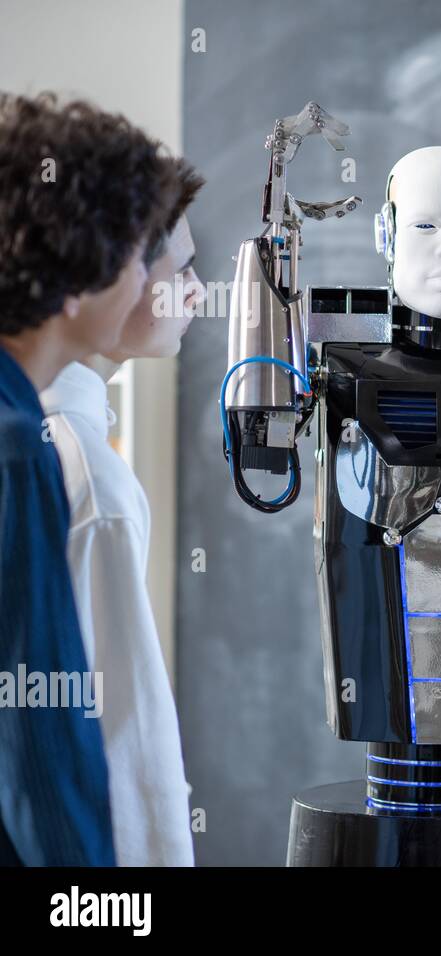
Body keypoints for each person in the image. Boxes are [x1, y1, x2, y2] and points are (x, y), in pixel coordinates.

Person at [0, 91, 180, 865]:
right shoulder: (19, 451)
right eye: (136, 255)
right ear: (76, 271)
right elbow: (41, 745)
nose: (148, 281)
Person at [41, 158, 205, 865]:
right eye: (181, 271)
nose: (200, 294)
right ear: (112, 275)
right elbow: (133, 755)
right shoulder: (92, 484)